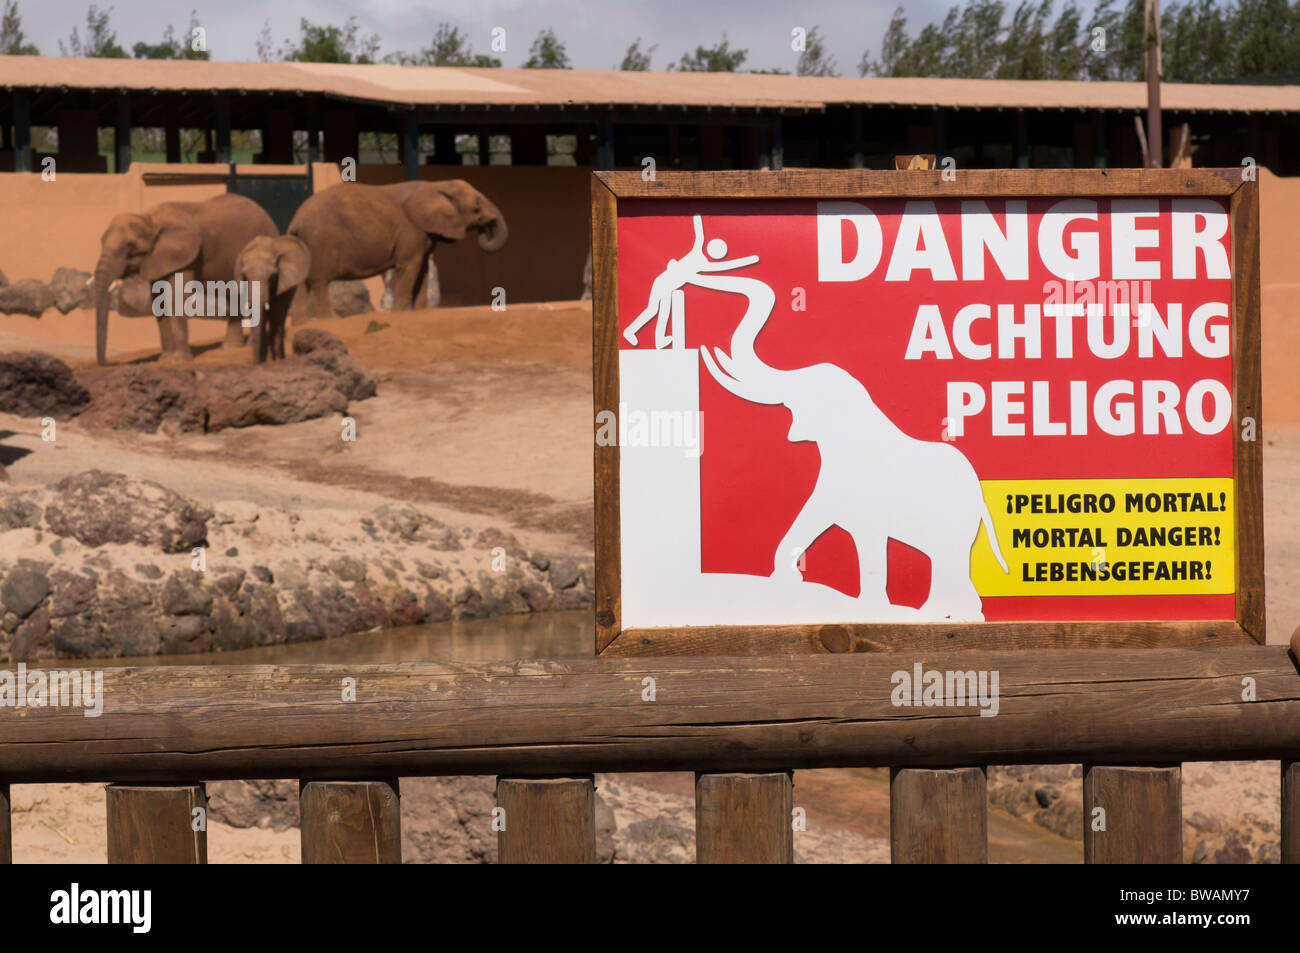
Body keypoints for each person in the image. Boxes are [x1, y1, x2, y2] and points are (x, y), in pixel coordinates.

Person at [623, 215, 758, 348]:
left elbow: (725, 263)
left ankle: (659, 340)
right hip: (663, 282)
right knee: (653, 309)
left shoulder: (704, 263)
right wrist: (697, 214)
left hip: (668, 287)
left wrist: (751, 259)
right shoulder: (698, 255)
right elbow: (702, 237)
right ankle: (630, 331)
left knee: (664, 311)